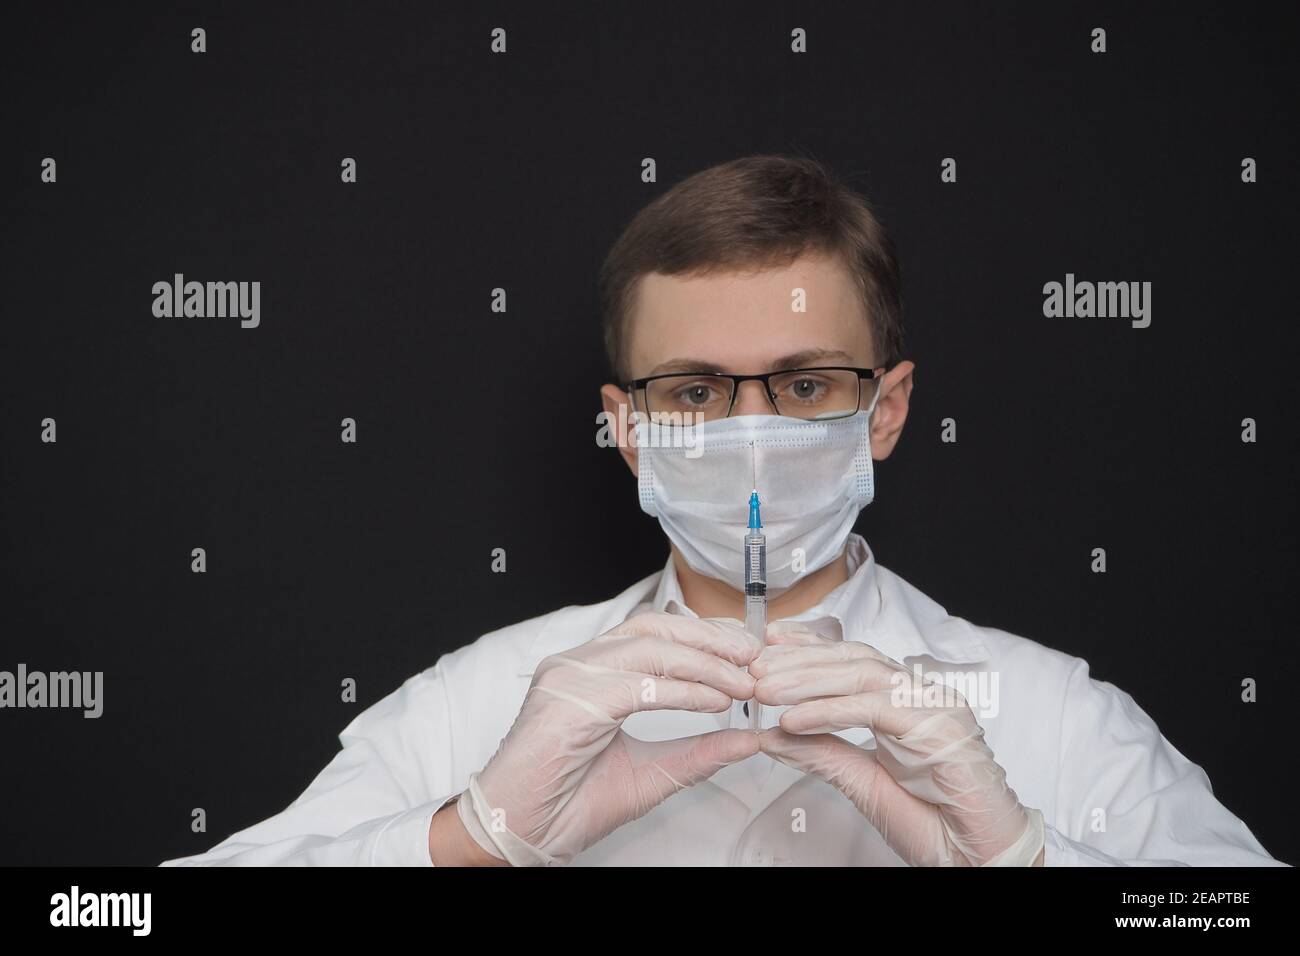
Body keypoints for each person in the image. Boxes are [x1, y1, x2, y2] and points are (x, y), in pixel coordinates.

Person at [161, 155, 1282, 867]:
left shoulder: (1053, 715)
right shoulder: (485, 701)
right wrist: (469, 840)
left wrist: (1031, 862)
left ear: (886, 409)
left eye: (802, 384)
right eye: (693, 391)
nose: (751, 433)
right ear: (629, 424)